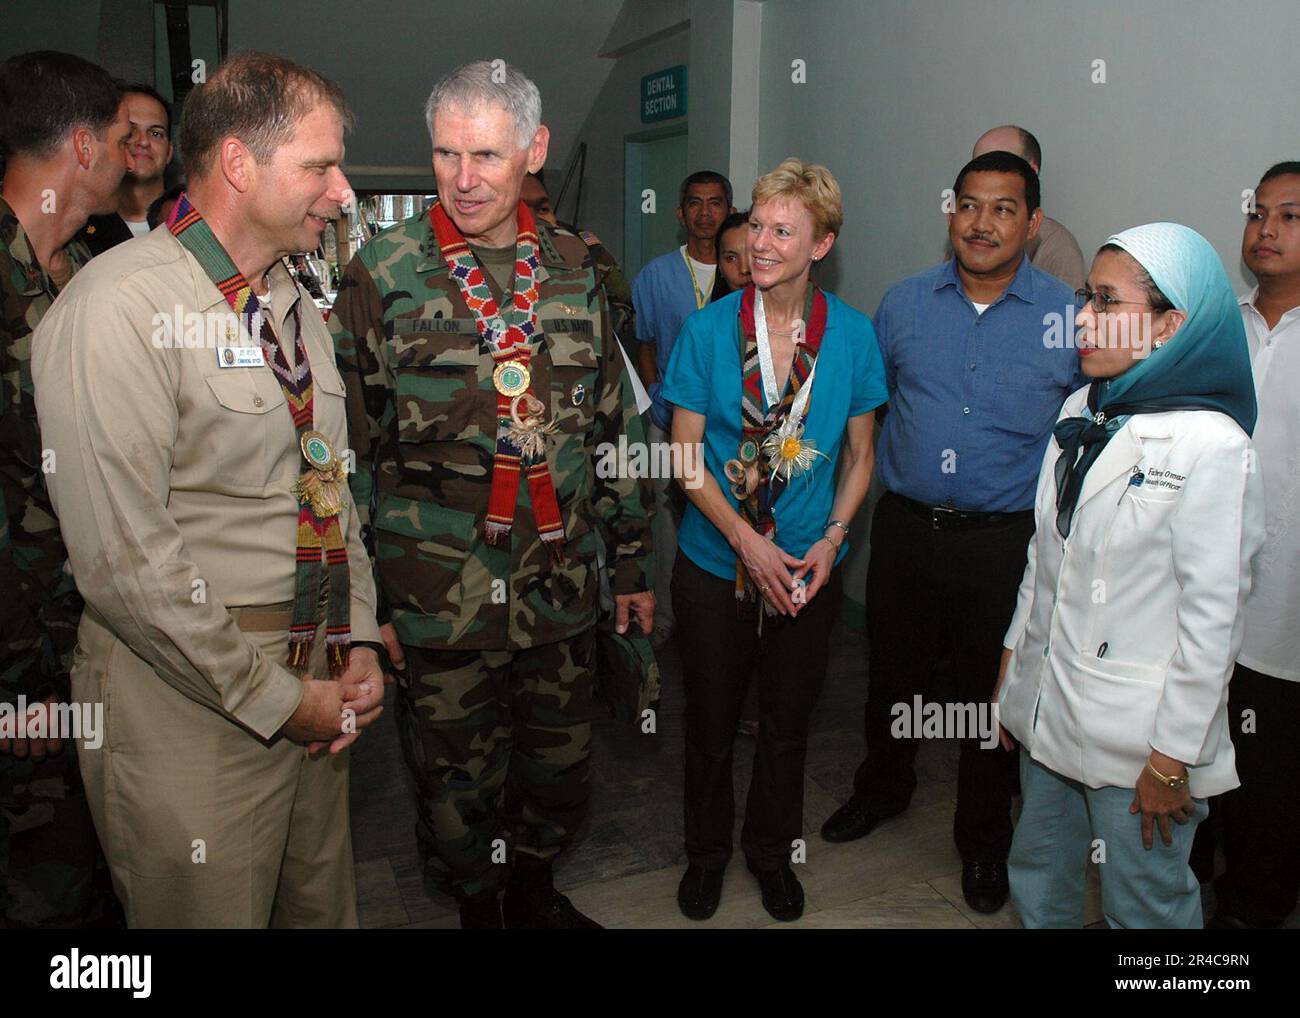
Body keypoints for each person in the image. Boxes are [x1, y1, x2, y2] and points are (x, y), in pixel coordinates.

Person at [32, 52, 385, 928]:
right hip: (192, 706)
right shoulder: (118, 306)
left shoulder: (293, 306)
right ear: (238, 163)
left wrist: (361, 640)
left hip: (316, 678)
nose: (341, 191)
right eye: (319, 165)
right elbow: (126, 565)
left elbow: (331, 491)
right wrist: (279, 702)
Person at [329, 60, 654, 930]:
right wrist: (364, 609)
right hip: (440, 597)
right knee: (453, 782)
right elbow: (347, 456)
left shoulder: (583, 267)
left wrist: (627, 566)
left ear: (534, 150)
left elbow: (612, 429)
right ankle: (478, 909)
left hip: (560, 585)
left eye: (485, 155)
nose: (463, 180)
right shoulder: (382, 273)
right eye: (444, 155)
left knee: (558, 765)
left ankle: (535, 893)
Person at [821, 151, 1081, 915]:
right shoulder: (902, 305)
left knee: (988, 695)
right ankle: (884, 788)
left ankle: (982, 839)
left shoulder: (1068, 315)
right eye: (970, 205)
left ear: (1033, 224)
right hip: (904, 530)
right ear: (950, 213)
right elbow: (872, 417)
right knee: (892, 673)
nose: (983, 222)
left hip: (1004, 543)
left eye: (1004, 209)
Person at [996, 222, 1262, 928]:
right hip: (1049, 709)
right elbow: (1042, 555)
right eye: (1086, 297)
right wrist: (1012, 671)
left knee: (1144, 908)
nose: (1080, 317)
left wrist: (1173, 759)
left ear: (1171, 324)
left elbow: (1213, 622)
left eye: (1106, 303)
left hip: (1141, 743)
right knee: (1039, 880)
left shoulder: (1213, 445)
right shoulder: (1083, 408)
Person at [664, 159, 887, 922]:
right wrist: (742, 541)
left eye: (782, 230)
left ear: (821, 243)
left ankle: (771, 854)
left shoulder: (852, 336)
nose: (760, 242)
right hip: (714, 563)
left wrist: (831, 541)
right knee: (710, 727)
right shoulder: (707, 329)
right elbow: (685, 458)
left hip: (805, 571)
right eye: (756, 224)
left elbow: (861, 457)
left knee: (788, 728)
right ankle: (705, 857)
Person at [0, 50, 132, 929]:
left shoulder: (88, 273)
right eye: (124, 140)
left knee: (93, 881)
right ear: (84, 147)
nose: (134, 159)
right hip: (18, 673)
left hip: (85, 647)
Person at [1209, 161, 1300, 929]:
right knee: (1202, 752)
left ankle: (1254, 908)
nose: (1266, 230)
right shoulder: (1218, 329)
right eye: (1258, 213)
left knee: (1271, 772)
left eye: (1290, 217)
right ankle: (1191, 882)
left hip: (1285, 602)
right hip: (1205, 590)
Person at [970, 125, 1085, 290]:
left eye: (998, 167)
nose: (984, 178)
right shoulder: (965, 234)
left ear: (1031, 172)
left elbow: (1066, 313)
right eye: (976, 167)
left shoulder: (1057, 248)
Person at [80, 84, 173, 254]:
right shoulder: (78, 229)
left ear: (169, 152)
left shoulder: (195, 222)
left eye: (155, 133)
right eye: (130, 131)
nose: (143, 142)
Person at [710, 209, 752, 301]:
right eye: (731, 258)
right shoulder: (707, 315)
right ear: (720, 266)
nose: (744, 269)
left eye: (753, 254)